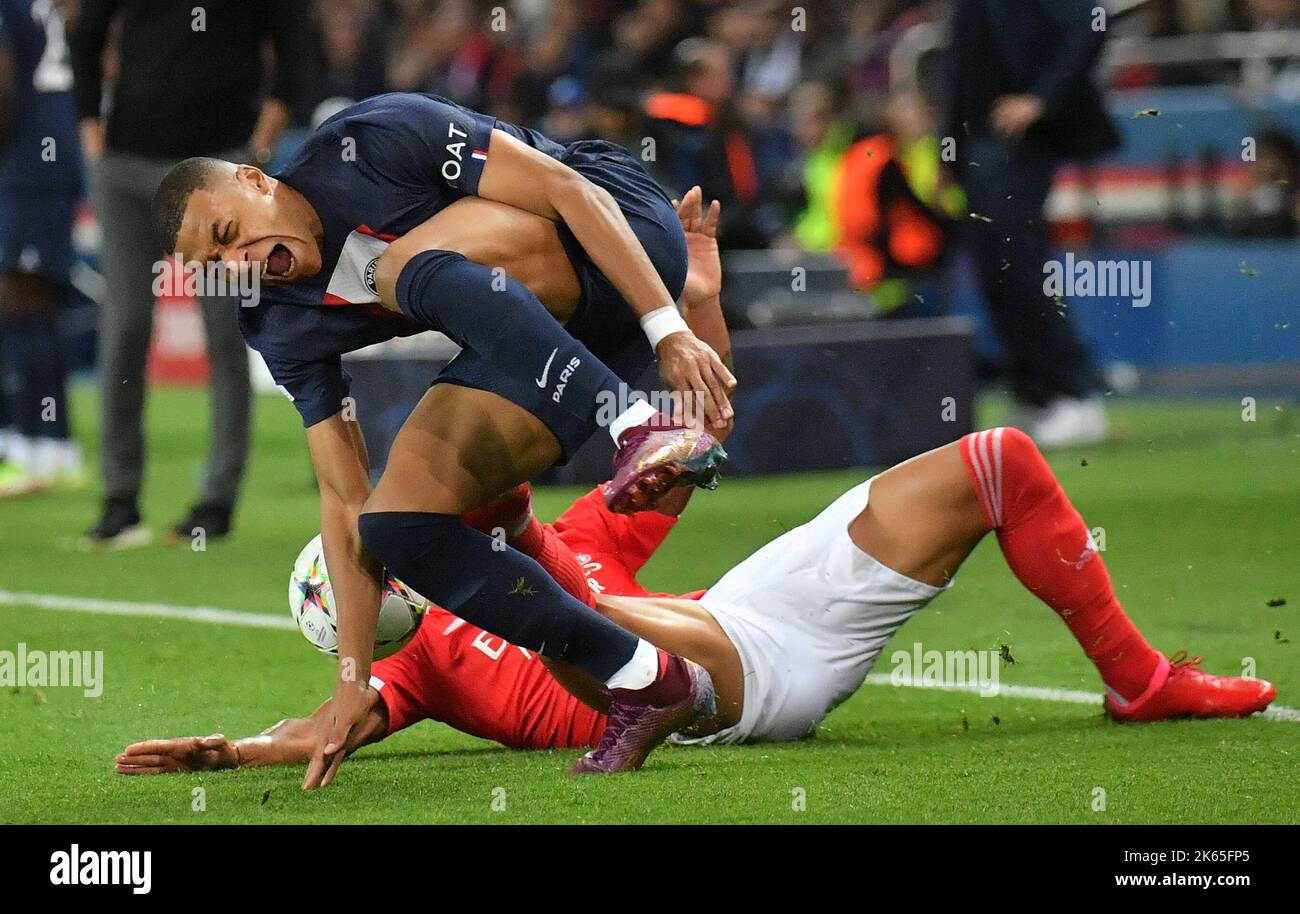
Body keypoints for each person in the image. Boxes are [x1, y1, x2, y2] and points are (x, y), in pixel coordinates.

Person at [115, 424, 1276, 776]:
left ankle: (1144, 683)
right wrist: (233, 752)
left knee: (1000, 460)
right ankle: (641, 695)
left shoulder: (557, 534)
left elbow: (689, 450)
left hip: (749, 608)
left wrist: (696, 323)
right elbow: (326, 723)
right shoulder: (415, 674)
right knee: (574, 612)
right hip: (741, 686)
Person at [153, 99, 736, 781]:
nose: (239, 263)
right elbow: (344, 497)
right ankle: (643, 678)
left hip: (615, 226)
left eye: (228, 233)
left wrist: (667, 328)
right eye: (217, 266)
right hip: (547, 334)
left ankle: (635, 425)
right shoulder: (275, 323)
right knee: (397, 523)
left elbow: (564, 189)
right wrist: (352, 682)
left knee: (399, 268)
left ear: (255, 180)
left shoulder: (373, 141)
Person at [70, 0, 312, 546]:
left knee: (227, 334)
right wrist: (93, 134)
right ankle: (120, 500)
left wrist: (258, 146)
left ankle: (217, 501)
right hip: (127, 163)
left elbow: (296, 51)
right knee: (126, 322)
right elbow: (85, 35)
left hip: (219, 170)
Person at [944, 0, 1119, 447]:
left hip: (1019, 142)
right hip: (977, 143)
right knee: (994, 272)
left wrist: (1042, 99)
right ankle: (1034, 393)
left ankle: (1074, 392)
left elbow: (1090, 26)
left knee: (1019, 265)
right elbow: (962, 63)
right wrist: (948, 147)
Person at [0, 0, 85, 497]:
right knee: (38, 303)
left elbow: (3, 86)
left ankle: (25, 443)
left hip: (26, 161)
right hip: (48, 153)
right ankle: (53, 445)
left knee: (17, 301)